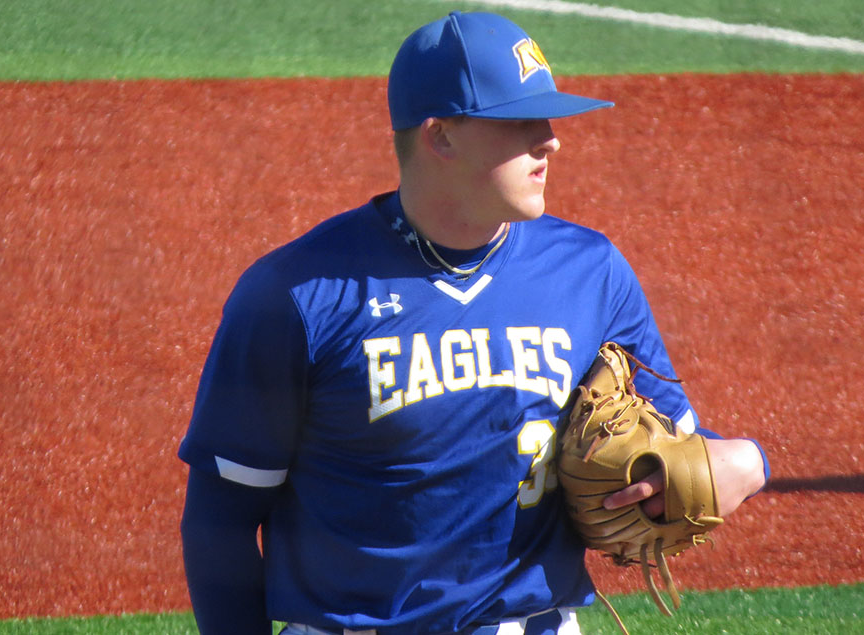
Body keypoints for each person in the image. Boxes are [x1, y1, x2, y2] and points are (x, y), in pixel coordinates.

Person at [179, 10, 768, 635]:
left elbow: (678, 444)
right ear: (440, 136)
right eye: (520, 122)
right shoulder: (298, 296)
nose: (551, 140)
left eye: (549, 119)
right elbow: (221, 519)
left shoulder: (590, 271)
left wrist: (745, 462)